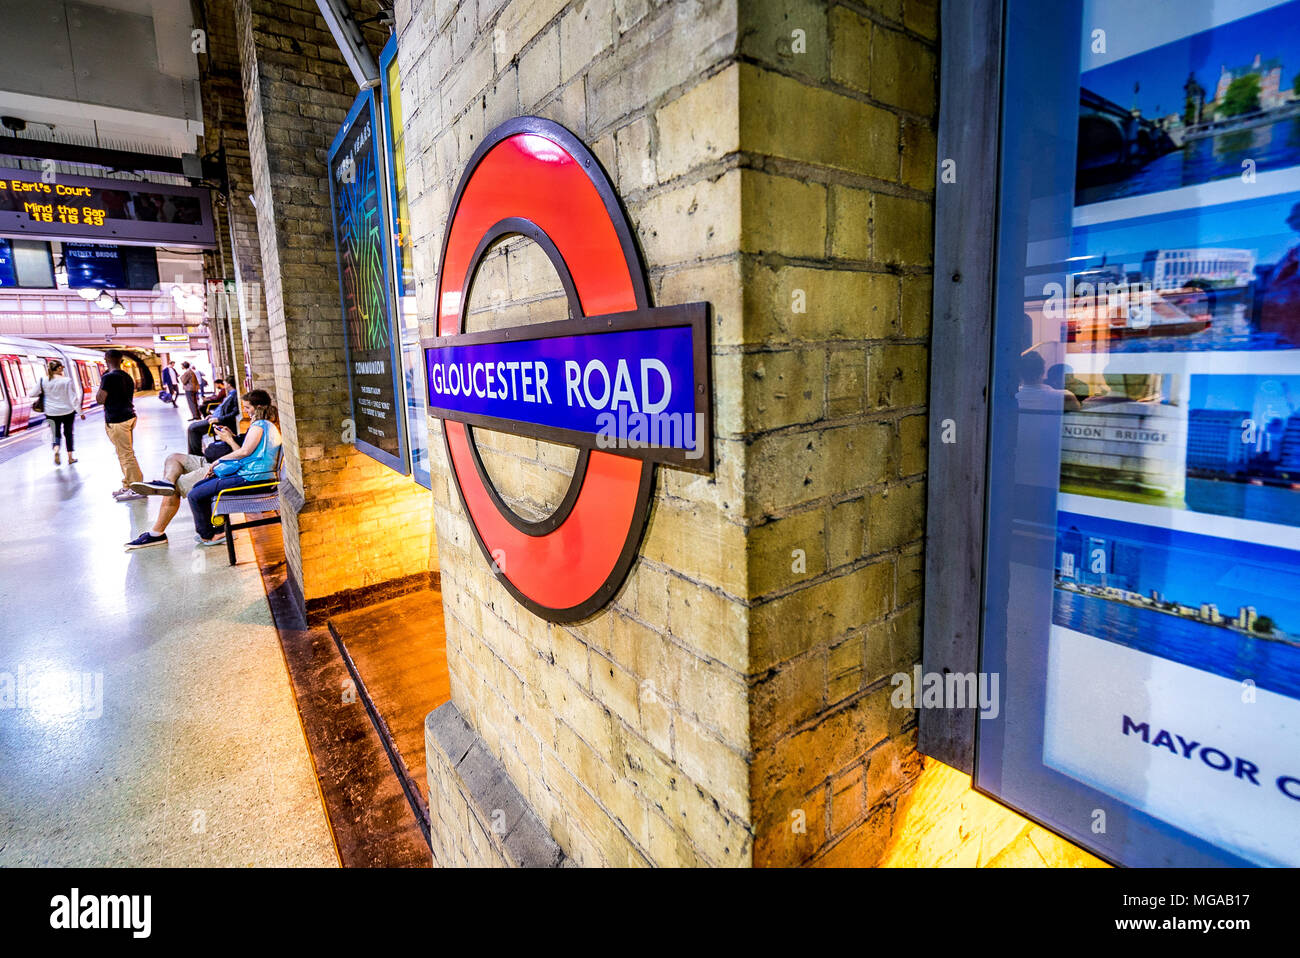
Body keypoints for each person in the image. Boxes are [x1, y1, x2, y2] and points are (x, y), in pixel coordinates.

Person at [125, 390, 279, 549]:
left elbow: (244, 452)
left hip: (250, 476)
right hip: (247, 473)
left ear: (258, 407)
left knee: (195, 493)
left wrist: (219, 459)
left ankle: (208, 534)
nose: (245, 411)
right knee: (194, 484)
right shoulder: (264, 425)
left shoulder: (260, 425)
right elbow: (249, 452)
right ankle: (169, 487)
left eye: (247, 407)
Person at [97, 349, 145, 500]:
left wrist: (102, 380)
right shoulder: (126, 376)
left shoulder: (108, 378)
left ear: (106, 359)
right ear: (121, 360)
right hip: (129, 416)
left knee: (126, 455)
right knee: (124, 453)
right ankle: (128, 485)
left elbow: (100, 399)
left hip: (117, 420)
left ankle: (137, 487)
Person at [29, 359, 85, 466]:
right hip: (68, 411)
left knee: (56, 434)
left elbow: (32, 394)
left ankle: (56, 451)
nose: (62, 370)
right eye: (62, 368)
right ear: (58, 368)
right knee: (68, 434)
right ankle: (70, 458)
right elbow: (73, 398)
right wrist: (80, 412)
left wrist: (44, 392)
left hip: (51, 412)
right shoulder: (66, 380)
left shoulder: (43, 380)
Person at [188, 383, 240, 456]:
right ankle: (193, 454)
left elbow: (234, 412)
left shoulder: (235, 395)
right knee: (192, 426)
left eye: (225, 383)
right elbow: (221, 407)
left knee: (193, 428)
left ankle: (196, 454)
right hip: (215, 417)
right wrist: (212, 415)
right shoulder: (230, 394)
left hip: (220, 420)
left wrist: (218, 419)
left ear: (229, 384)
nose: (224, 385)